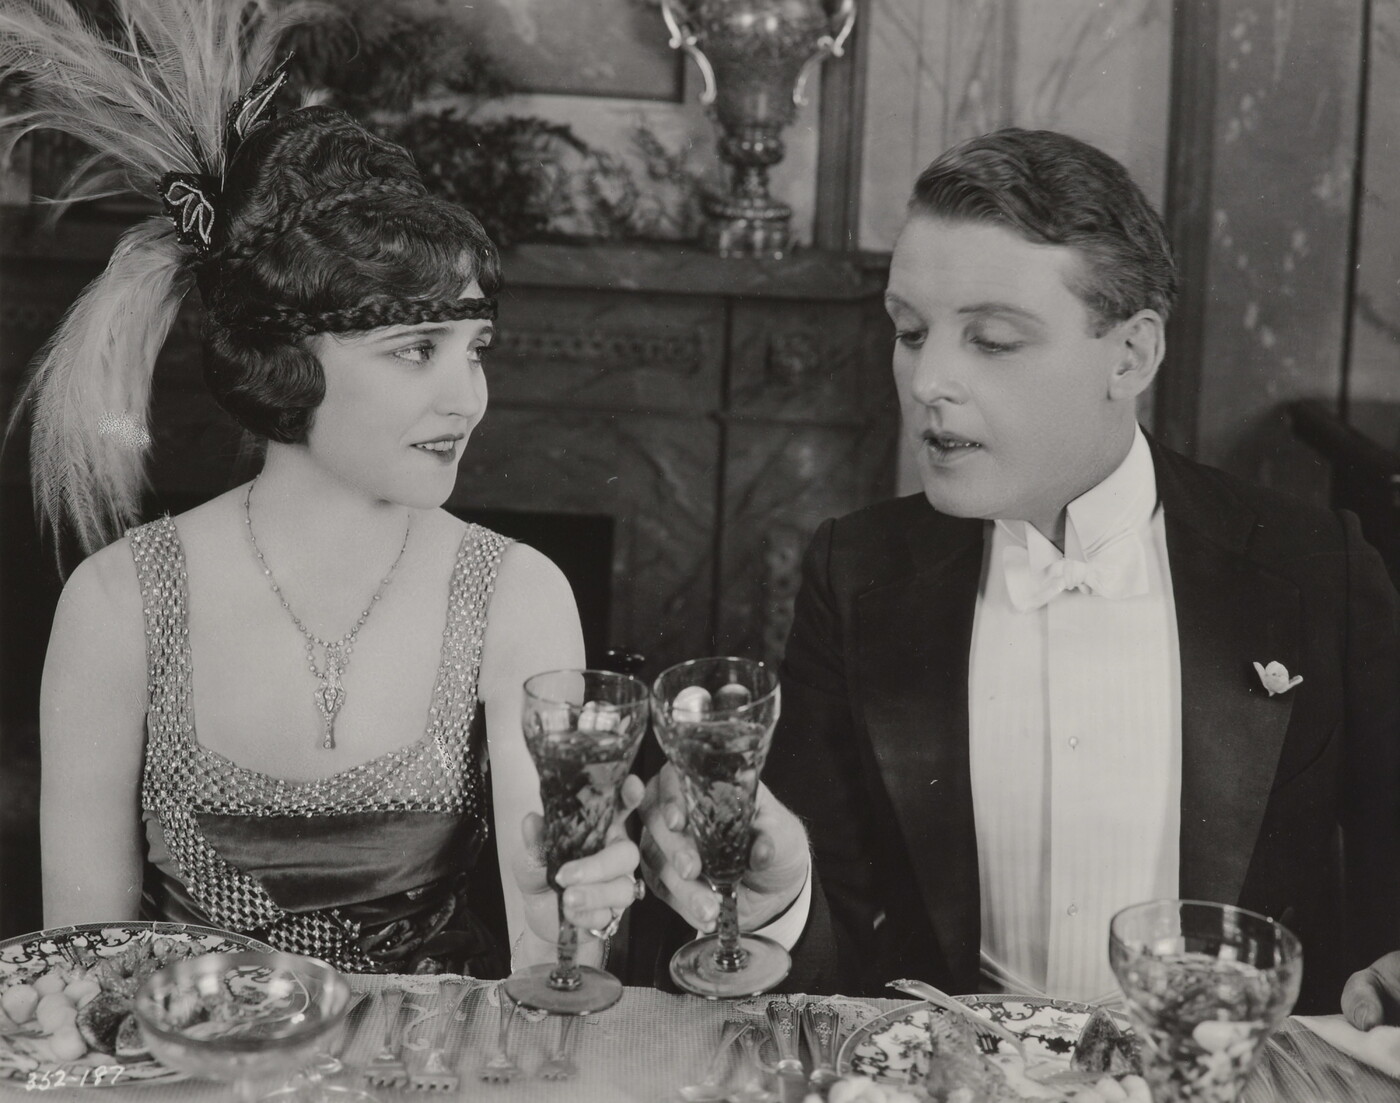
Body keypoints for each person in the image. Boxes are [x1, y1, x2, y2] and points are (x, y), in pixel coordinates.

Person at [640, 127, 1400, 1017]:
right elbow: (834, 932)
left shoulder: (1315, 569)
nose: (928, 380)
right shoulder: (856, 574)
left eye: (993, 340)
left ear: (1131, 355)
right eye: (910, 332)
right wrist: (779, 893)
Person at [5, 0, 642, 975]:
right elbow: (84, 972)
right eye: (415, 349)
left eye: (475, 348)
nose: (467, 397)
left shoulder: (517, 594)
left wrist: (588, 910)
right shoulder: (117, 602)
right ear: (285, 361)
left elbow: (555, 966)